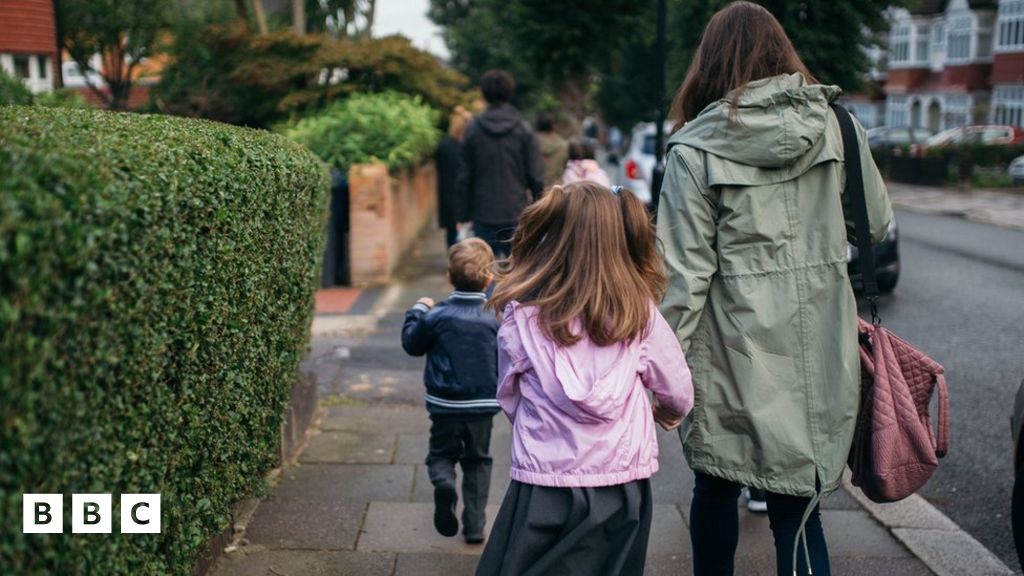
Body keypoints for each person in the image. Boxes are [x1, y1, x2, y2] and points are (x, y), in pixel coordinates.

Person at [656, 3, 894, 576]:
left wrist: (657, 373)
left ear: (708, 63)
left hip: (728, 357)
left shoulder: (694, 149)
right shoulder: (837, 126)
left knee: (714, 489)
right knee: (799, 507)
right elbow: (874, 227)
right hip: (819, 352)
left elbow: (683, 278)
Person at [476, 182, 695, 576]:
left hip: (543, 480)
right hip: (621, 480)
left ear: (553, 237)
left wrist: (538, 425)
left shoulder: (523, 316)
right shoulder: (639, 314)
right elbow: (677, 389)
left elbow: (508, 395)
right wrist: (668, 410)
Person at [401, 238, 501, 544]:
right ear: (489, 279)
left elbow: (411, 344)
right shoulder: (494, 318)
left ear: (448, 276)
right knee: (478, 460)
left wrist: (417, 309)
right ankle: (474, 526)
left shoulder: (437, 316)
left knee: (441, 456)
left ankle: (444, 481)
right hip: (482, 405)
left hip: (444, 404)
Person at [456, 70, 545, 259]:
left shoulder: (473, 130)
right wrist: (539, 211)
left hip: (483, 212)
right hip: (516, 211)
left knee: (481, 271)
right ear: (510, 92)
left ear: (484, 93)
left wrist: (463, 215)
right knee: (520, 272)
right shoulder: (523, 129)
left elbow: (464, 176)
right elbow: (536, 176)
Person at [436, 107, 474, 247]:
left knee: (452, 237)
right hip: (466, 198)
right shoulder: (469, 146)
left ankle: (454, 264)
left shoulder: (444, 145)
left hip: (448, 197)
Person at [535, 111, 569, 188]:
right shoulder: (563, 145)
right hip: (556, 188)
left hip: (536, 188)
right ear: (554, 126)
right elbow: (565, 166)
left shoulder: (532, 143)